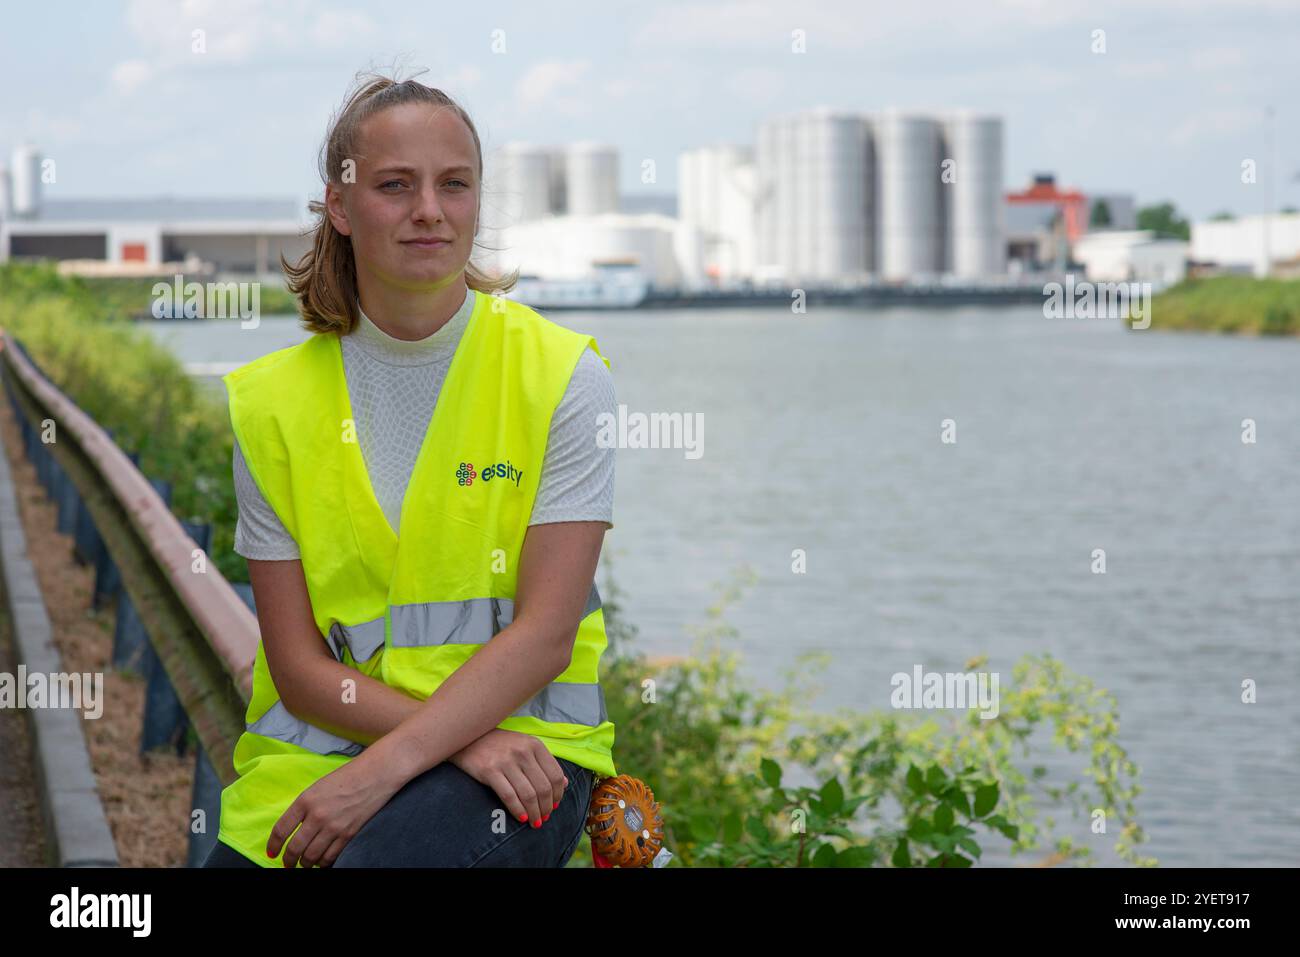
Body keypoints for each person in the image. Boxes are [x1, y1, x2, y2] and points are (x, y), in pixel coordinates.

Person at [202, 70, 617, 868]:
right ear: (340, 204)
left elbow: (545, 637)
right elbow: (295, 665)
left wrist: (388, 769)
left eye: (454, 184)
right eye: (395, 185)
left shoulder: (562, 378)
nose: (430, 209)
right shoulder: (271, 406)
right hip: (327, 754)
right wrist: (451, 743)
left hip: (526, 763)